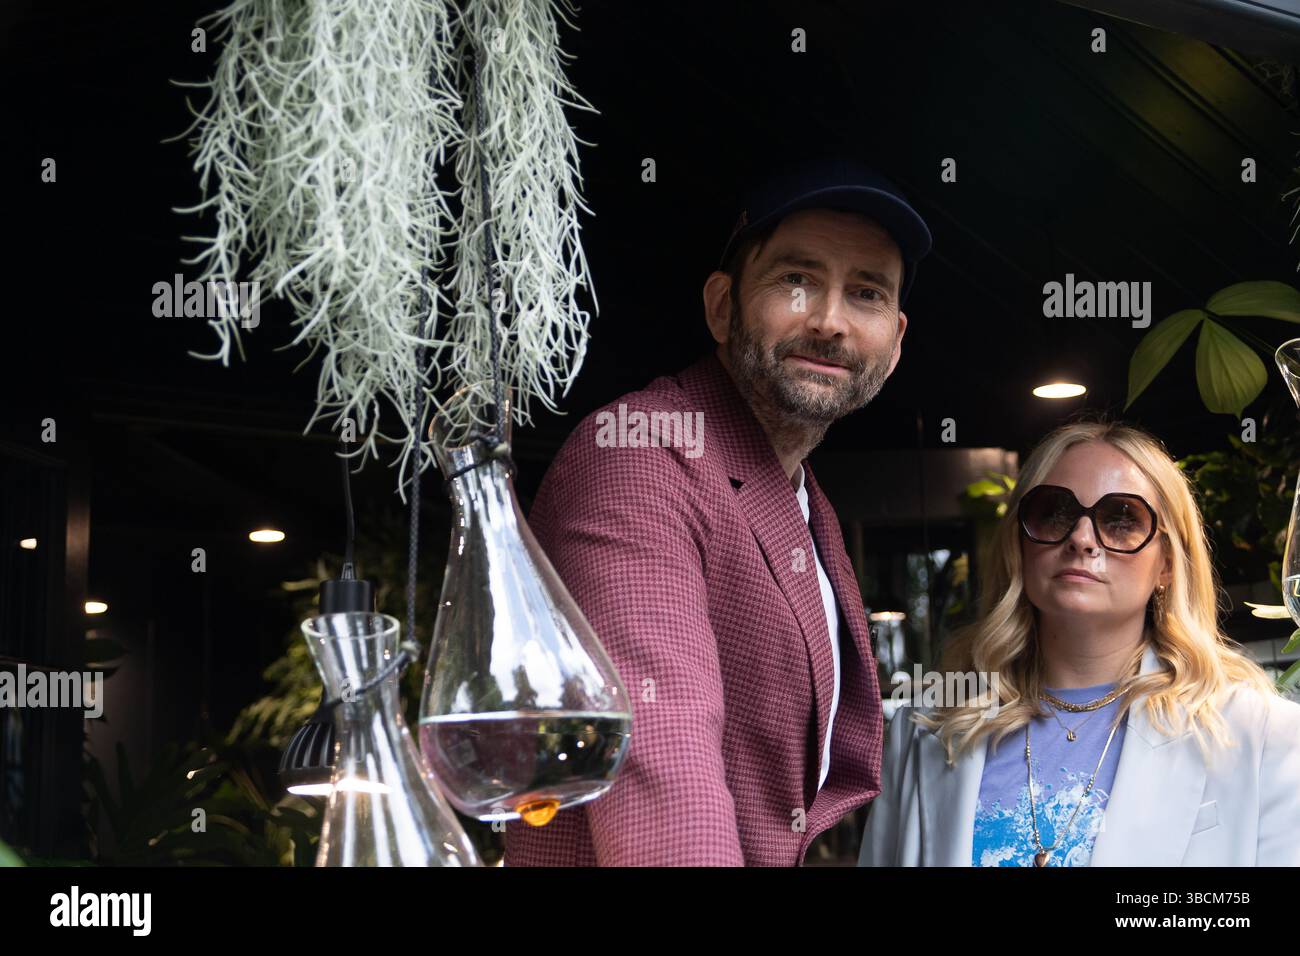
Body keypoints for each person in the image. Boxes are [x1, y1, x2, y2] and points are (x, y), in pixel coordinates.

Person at [502, 157, 933, 865]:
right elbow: (659, 758)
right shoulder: (639, 454)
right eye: (796, 281)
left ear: (895, 339)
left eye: (865, 293)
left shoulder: (802, 497)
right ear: (722, 306)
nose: (829, 321)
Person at [858, 420, 1300, 867]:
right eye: (1054, 512)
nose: (1082, 539)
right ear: (1019, 543)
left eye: (1122, 519)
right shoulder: (925, 732)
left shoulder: (1259, 733)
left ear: (1167, 563)